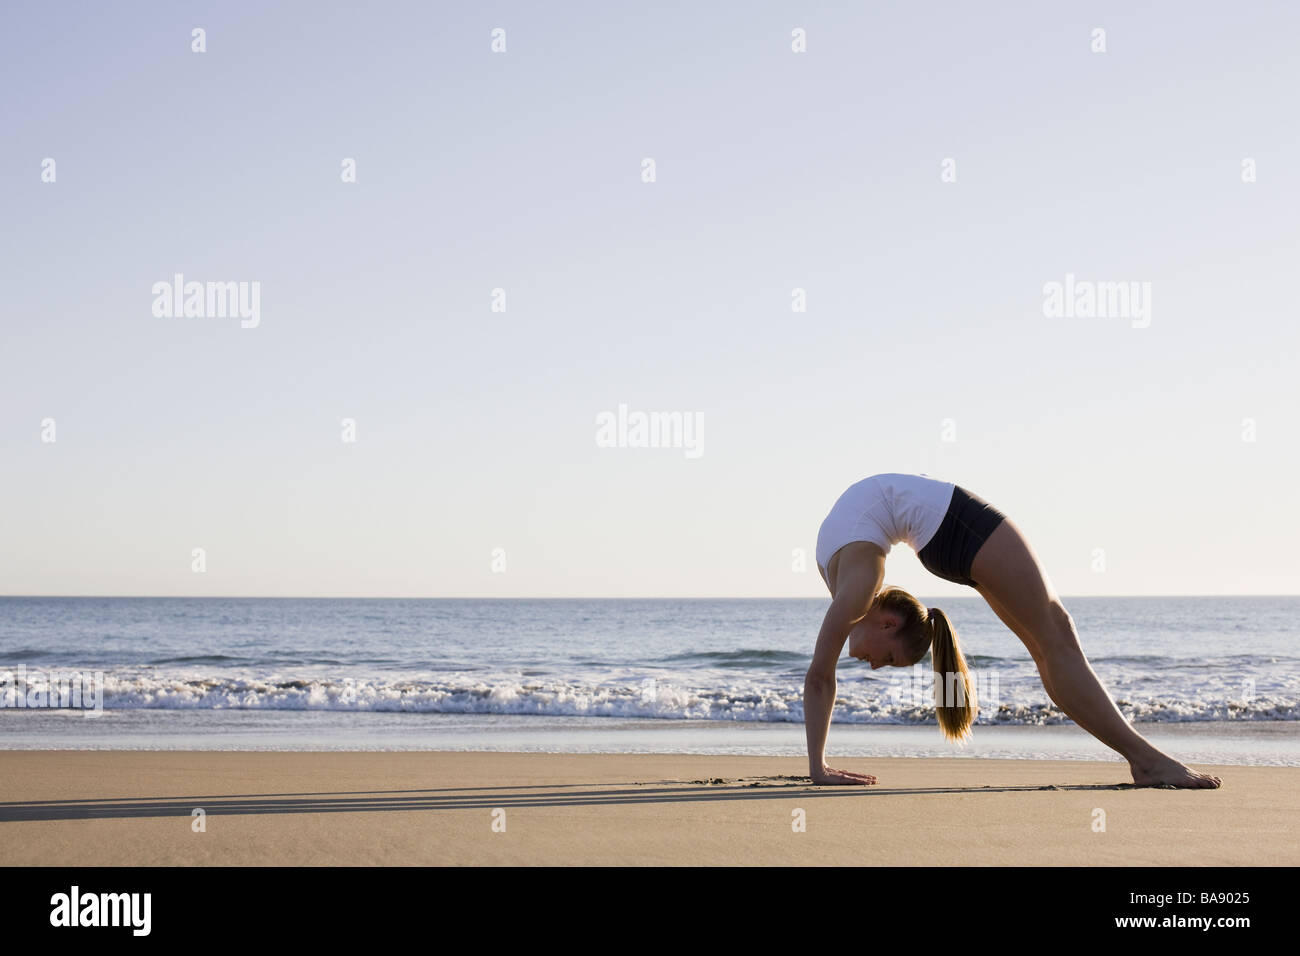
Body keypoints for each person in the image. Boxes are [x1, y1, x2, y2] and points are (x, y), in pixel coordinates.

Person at [805, 472, 1222, 789]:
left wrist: (817, 769)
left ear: (888, 622)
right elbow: (822, 676)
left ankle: (1144, 758)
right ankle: (1145, 760)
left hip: (951, 527)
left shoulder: (855, 591)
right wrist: (817, 768)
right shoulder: (856, 589)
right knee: (1055, 640)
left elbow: (821, 677)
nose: (876, 667)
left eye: (890, 659)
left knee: (1053, 641)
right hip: (949, 529)